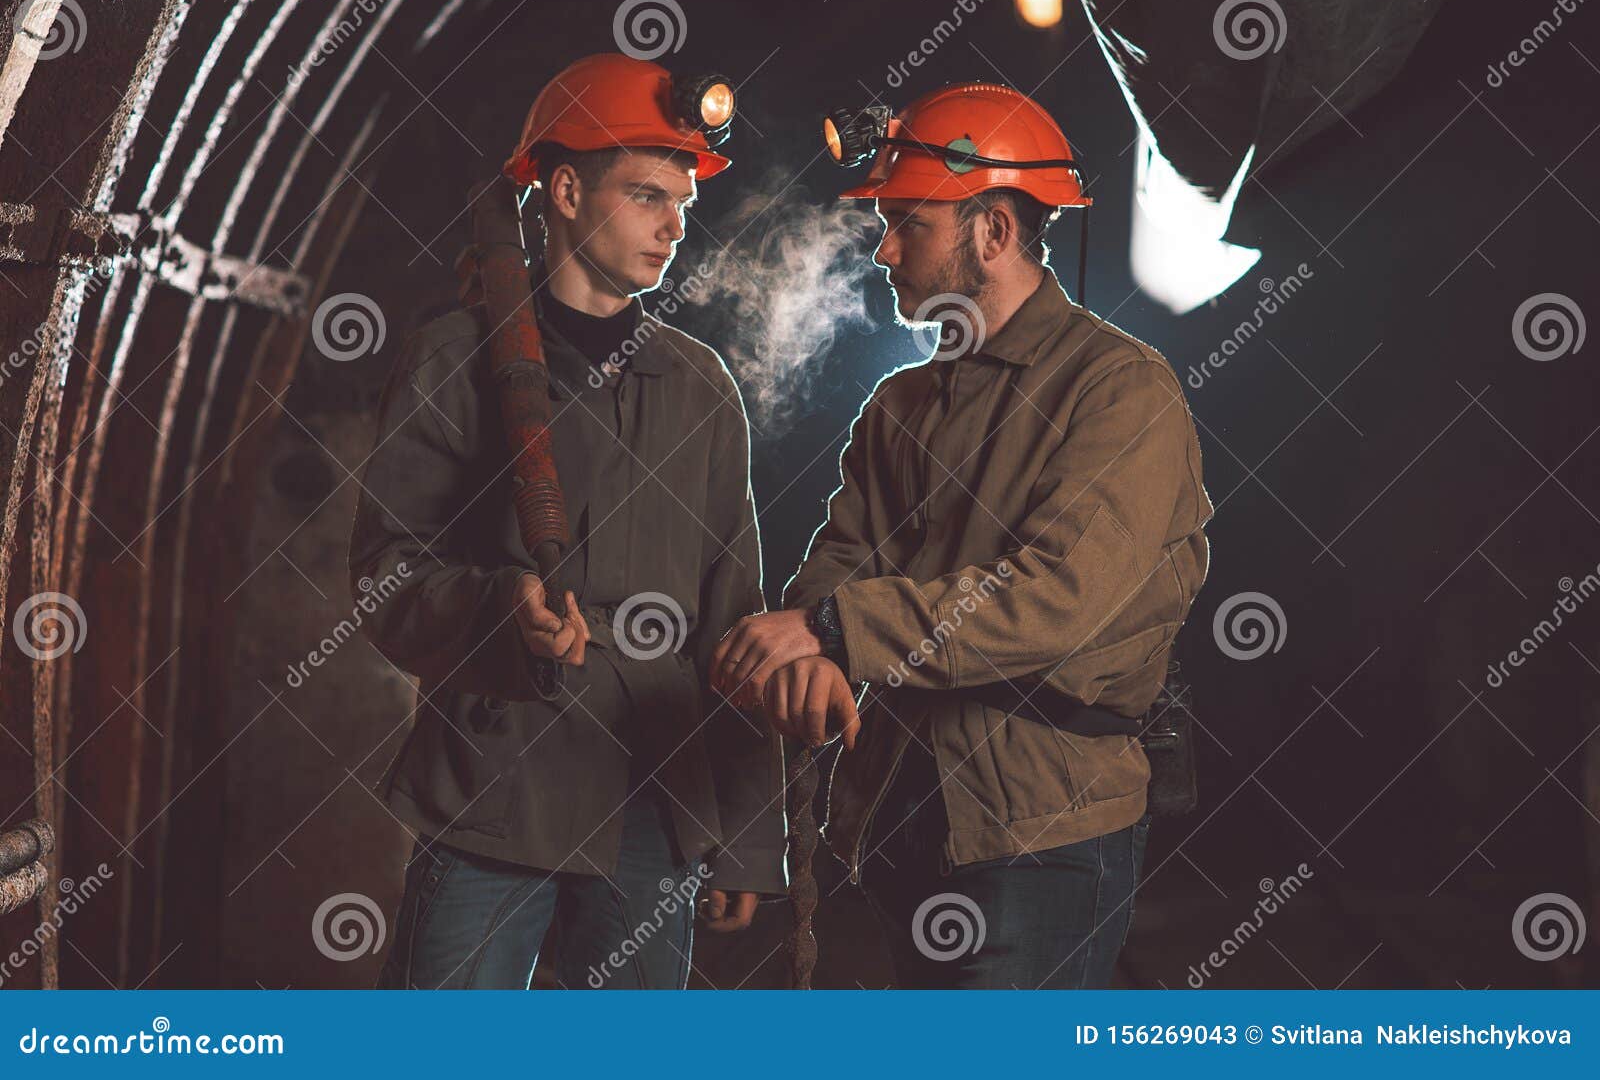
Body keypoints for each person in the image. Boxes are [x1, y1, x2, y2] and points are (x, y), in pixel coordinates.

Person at [710, 82, 1212, 988]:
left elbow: (1056, 600)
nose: (884, 250)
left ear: (994, 232)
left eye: (909, 224)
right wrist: (821, 652)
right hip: (902, 803)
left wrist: (833, 631)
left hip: (1041, 824)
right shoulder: (901, 403)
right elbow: (844, 554)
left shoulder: (1119, 391)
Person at [350, 53, 786, 989]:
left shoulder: (700, 387)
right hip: (494, 789)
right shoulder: (456, 360)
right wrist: (498, 609)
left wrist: (750, 837)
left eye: (682, 201)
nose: (673, 225)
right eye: (646, 195)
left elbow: (734, 620)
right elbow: (387, 574)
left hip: (652, 797)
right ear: (564, 192)